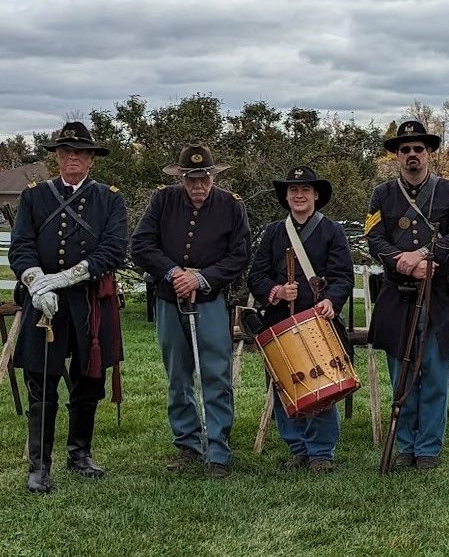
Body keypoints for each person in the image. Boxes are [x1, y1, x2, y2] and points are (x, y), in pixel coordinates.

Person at [10, 121, 127, 493]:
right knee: (41, 383)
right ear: (57, 157)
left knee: (88, 380)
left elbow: (113, 249)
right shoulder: (33, 197)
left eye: (80, 152)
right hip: (42, 303)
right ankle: (39, 466)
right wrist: (34, 280)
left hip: (87, 301)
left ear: (91, 159)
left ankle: (79, 454)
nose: (72, 158)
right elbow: (21, 246)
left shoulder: (110, 199)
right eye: (66, 152)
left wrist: (61, 279)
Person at [131, 144, 250, 478]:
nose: (198, 186)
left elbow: (239, 256)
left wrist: (201, 278)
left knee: (216, 375)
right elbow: (141, 245)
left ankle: (218, 451)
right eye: (191, 179)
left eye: (204, 178)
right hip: (170, 300)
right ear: (181, 178)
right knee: (178, 376)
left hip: (210, 302)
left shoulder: (231, 205)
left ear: (213, 176)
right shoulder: (162, 201)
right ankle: (188, 444)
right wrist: (174, 274)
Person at [366, 120, 449, 471]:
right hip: (398, 292)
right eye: (405, 150)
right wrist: (403, 262)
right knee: (402, 373)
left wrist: (427, 257)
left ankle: (428, 447)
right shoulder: (382, 194)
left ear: (429, 153)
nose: (412, 155)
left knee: (435, 372)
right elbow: (375, 239)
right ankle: (406, 444)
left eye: (418, 149)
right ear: (397, 156)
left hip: (438, 293)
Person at [247, 166, 355, 472]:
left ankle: (321, 451)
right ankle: (297, 448)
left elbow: (342, 276)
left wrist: (332, 301)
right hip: (281, 322)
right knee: (286, 386)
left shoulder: (332, 231)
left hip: (318, 321)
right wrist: (277, 291)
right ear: (286, 196)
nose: (298, 195)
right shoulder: (273, 232)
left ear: (316, 195)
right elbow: (257, 276)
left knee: (322, 387)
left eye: (305, 190)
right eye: (293, 190)